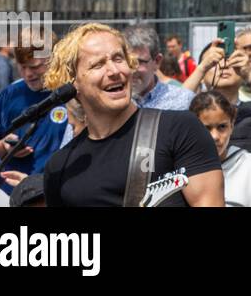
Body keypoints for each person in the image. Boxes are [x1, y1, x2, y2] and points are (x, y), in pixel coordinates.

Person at [42, 23, 224, 207]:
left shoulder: (180, 129)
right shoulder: (61, 165)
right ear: (71, 85)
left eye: (119, 58)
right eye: (97, 65)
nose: (114, 71)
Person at [0, 35, 68, 180]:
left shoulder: (72, 94)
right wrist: (4, 145)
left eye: (35, 66)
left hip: (55, 194)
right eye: (22, 66)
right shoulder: (7, 96)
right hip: (12, 195)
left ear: (54, 60)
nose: (28, 74)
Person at [188, 39, 251, 156]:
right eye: (214, 62)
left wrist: (249, 75)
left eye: (232, 61)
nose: (224, 65)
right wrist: (201, 69)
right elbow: (171, 114)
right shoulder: (189, 114)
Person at [189, 91, 251, 207]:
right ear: (192, 128)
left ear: (232, 126)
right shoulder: (180, 170)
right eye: (206, 128)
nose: (215, 136)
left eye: (222, 127)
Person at [125, 24, 195, 111]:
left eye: (138, 62)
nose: (131, 70)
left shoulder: (183, 102)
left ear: (157, 62)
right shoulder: (110, 102)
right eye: (126, 61)